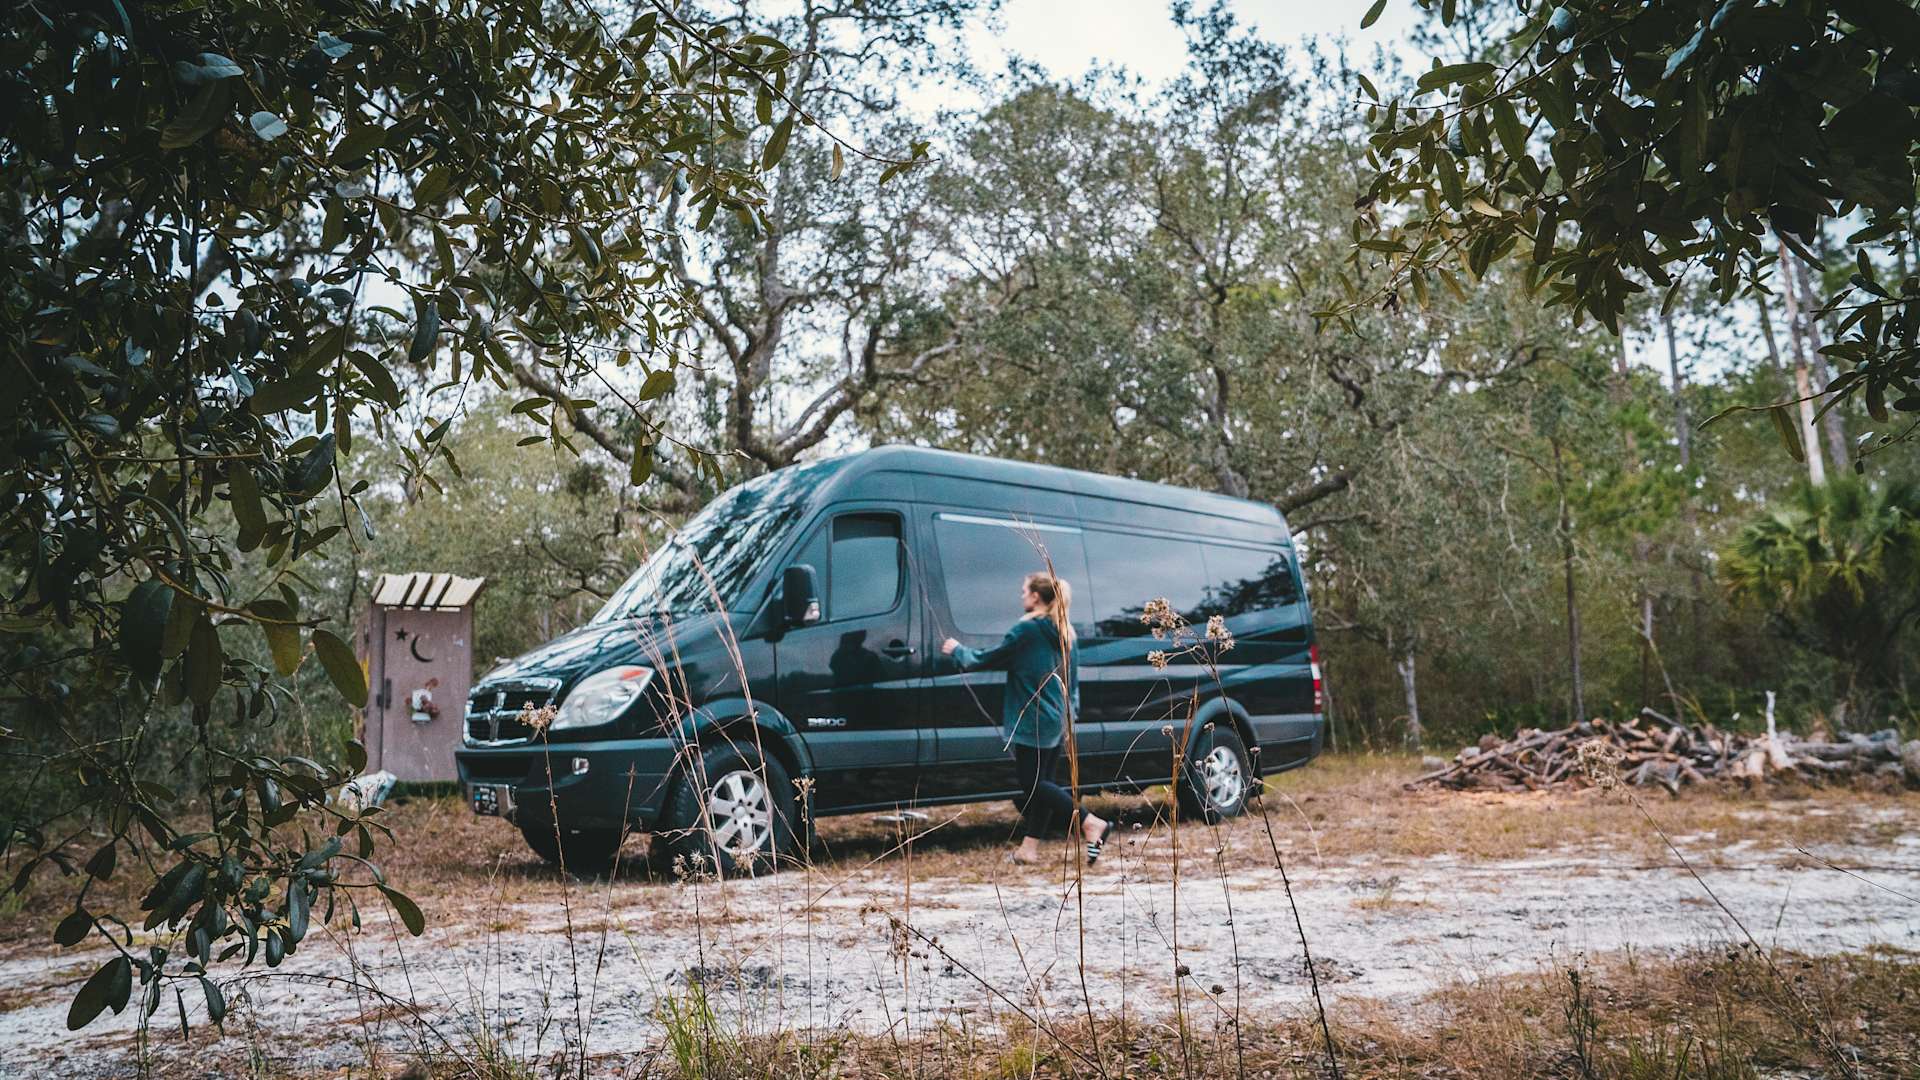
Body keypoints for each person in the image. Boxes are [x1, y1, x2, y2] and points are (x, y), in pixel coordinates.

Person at [941, 572, 1115, 866]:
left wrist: (957, 650)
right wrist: (1069, 717)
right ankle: (1029, 849)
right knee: (1044, 783)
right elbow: (1072, 683)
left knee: (1033, 785)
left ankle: (1090, 822)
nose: (1021, 595)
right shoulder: (1064, 631)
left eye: (1024, 591)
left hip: (1032, 718)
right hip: (1057, 718)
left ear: (1036, 596)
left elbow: (985, 659)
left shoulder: (1027, 631)